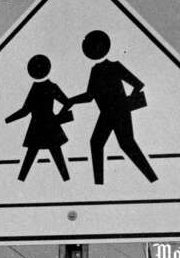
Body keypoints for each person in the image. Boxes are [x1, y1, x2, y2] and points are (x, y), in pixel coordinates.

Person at [66, 29, 158, 185]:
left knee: (126, 144)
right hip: (108, 114)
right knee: (98, 143)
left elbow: (138, 84)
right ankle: (98, 184)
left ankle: (152, 179)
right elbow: (90, 96)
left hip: (119, 112)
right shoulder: (96, 70)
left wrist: (126, 103)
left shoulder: (114, 67)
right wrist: (72, 100)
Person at [4, 54, 72, 181]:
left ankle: (21, 180)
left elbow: (25, 111)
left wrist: (7, 120)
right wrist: (58, 116)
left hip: (37, 126)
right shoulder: (50, 86)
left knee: (33, 155)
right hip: (50, 125)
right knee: (55, 154)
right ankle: (66, 180)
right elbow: (67, 103)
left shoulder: (37, 88)